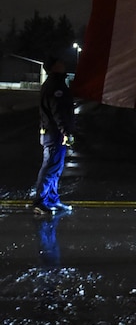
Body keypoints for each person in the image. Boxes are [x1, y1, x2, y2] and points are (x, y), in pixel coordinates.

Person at [32, 56, 74, 215]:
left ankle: (52, 199)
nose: (63, 64)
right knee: (50, 168)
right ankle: (40, 202)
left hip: (54, 133)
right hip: (54, 134)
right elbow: (58, 112)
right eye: (60, 63)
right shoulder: (55, 86)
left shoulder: (56, 83)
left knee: (55, 168)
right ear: (54, 67)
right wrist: (66, 132)